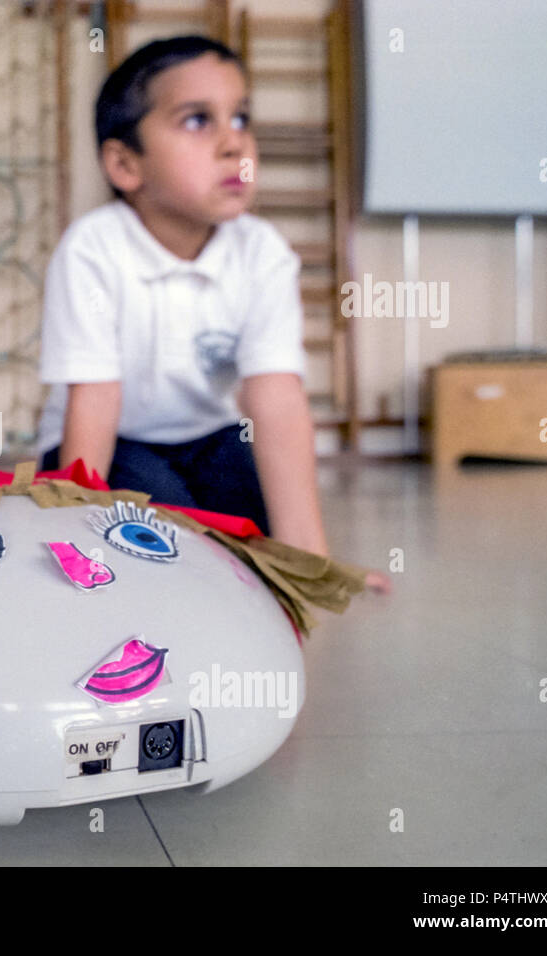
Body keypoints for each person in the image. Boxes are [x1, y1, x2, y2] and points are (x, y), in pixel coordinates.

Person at [37, 35, 389, 591]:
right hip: (116, 442)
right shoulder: (92, 250)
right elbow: (96, 400)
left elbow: (275, 398)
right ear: (125, 164)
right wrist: (73, 533)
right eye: (198, 120)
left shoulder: (262, 251)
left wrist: (312, 564)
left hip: (210, 437)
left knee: (252, 519)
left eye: (241, 117)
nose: (235, 144)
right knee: (165, 535)